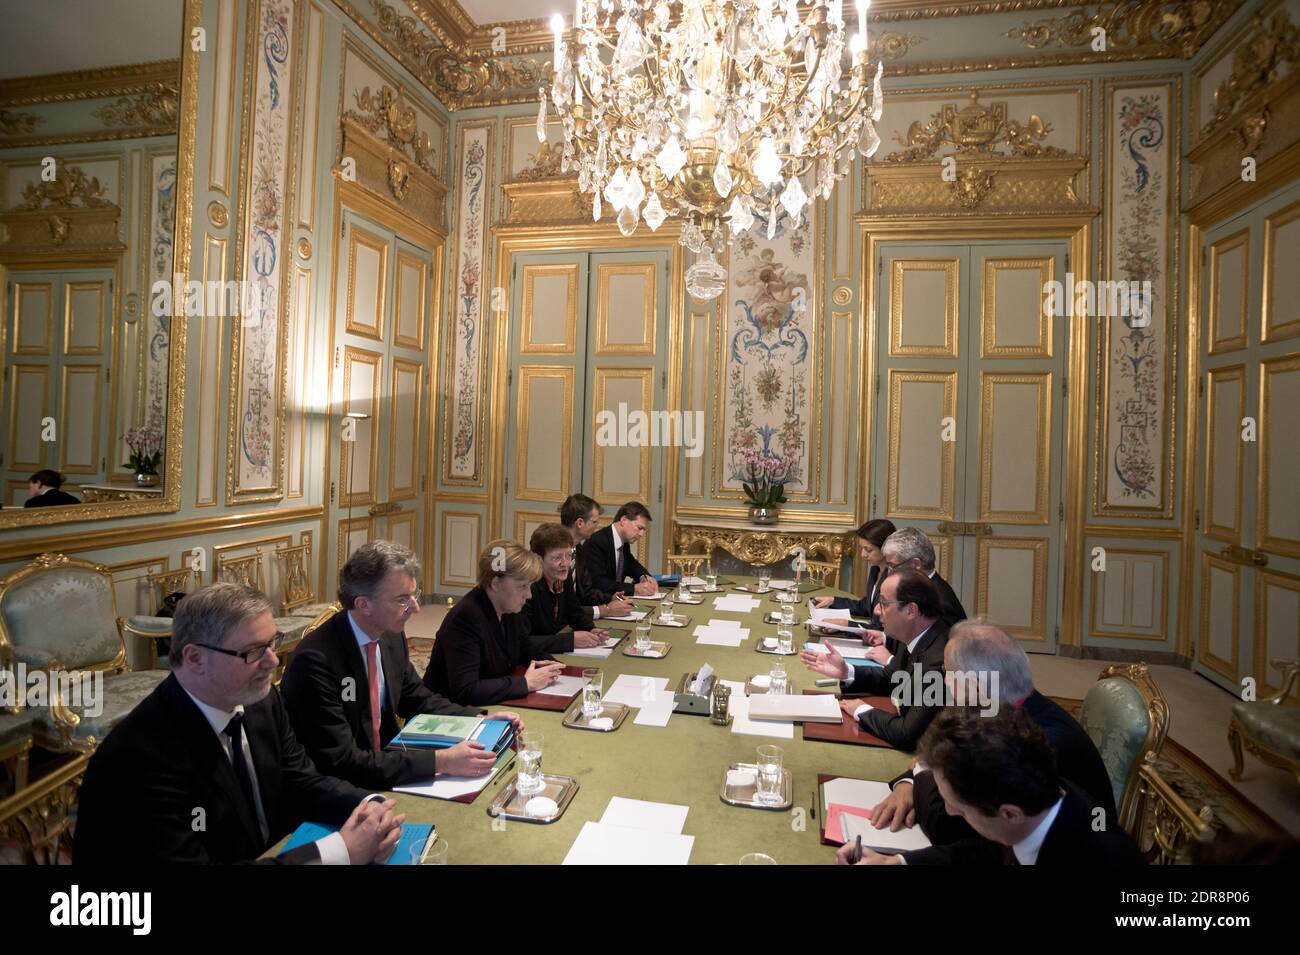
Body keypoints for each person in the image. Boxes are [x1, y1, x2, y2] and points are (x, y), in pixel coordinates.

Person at [75, 583, 404, 865]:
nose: (273, 662)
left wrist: (366, 806)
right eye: (253, 652)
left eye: (271, 643)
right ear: (194, 658)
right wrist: (341, 851)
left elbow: (301, 780)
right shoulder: (139, 760)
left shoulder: (261, 701)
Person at [281, 540, 524, 790]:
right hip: (341, 788)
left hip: (387, 765)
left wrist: (479, 719)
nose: (415, 608)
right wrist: (440, 762)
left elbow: (416, 697)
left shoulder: (390, 635)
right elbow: (344, 761)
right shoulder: (315, 662)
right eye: (402, 599)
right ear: (363, 604)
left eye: (414, 595)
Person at [867, 619, 1117, 843]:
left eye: (948, 672)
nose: (943, 682)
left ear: (974, 686)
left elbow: (948, 826)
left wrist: (919, 773)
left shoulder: (1029, 745)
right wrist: (906, 782)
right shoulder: (1007, 711)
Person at [838, 706, 1144, 865]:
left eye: (957, 807)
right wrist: (896, 861)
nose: (949, 811)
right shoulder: (1034, 805)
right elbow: (984, 853)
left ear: (1009, 814)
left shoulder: (1099, 856)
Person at [800, 568, 949, 750]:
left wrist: (862, 710)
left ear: (911, 610)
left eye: (884, 603)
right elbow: (891, 677)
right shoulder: (915, 634)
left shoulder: (939, 661)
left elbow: (906, 733)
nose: (877, 611)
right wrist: (847, 671)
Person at [423, 540, 565, 706]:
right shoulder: (466, 617)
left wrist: (550, 665)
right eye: (522, 587)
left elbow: (525, 649)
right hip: (449, 714)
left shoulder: (508, 608)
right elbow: (466, 690)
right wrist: (525, 684)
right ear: (495, 583)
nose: (529, 595)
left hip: (489, 704)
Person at [521, 523, 609, 654]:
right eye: (557, 558)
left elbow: (573, 612)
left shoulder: (562, 577)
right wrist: (570, 640)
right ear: (539, 559)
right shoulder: (527, 587)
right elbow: (523, 642)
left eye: (568, 556)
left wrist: (591, 629)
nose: (565, 564)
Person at [559, 493, 634, 618]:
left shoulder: (579, 550)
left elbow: (586, 593)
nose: (597, 526)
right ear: (580, 523)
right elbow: (564, 609)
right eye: (594, 522)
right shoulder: (557, 556)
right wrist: (605, 610)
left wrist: (611, 597)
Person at [811, 518, 895, 622]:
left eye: (868, 550)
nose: (863, 555)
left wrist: (846, 626)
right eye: (861, 548)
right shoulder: (875, 569)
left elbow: (880, 628)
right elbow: (866, 607)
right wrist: (832, 601)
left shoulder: (893, 579)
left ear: (885, 548)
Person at [882, 527, 966, 626]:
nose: (889, 573)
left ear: (916, 564)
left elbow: (929, 641)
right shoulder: (919, 588)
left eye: (893, 566)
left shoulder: (941, 604)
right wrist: (884, 637)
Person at [578, 500, 658, 598]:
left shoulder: (623, 542)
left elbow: (632, 564)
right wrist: (635, 588)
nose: (641, 534)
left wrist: (645, 577)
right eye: (639, 528)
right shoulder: (596, 542)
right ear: (624, 520)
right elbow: (599, 583)